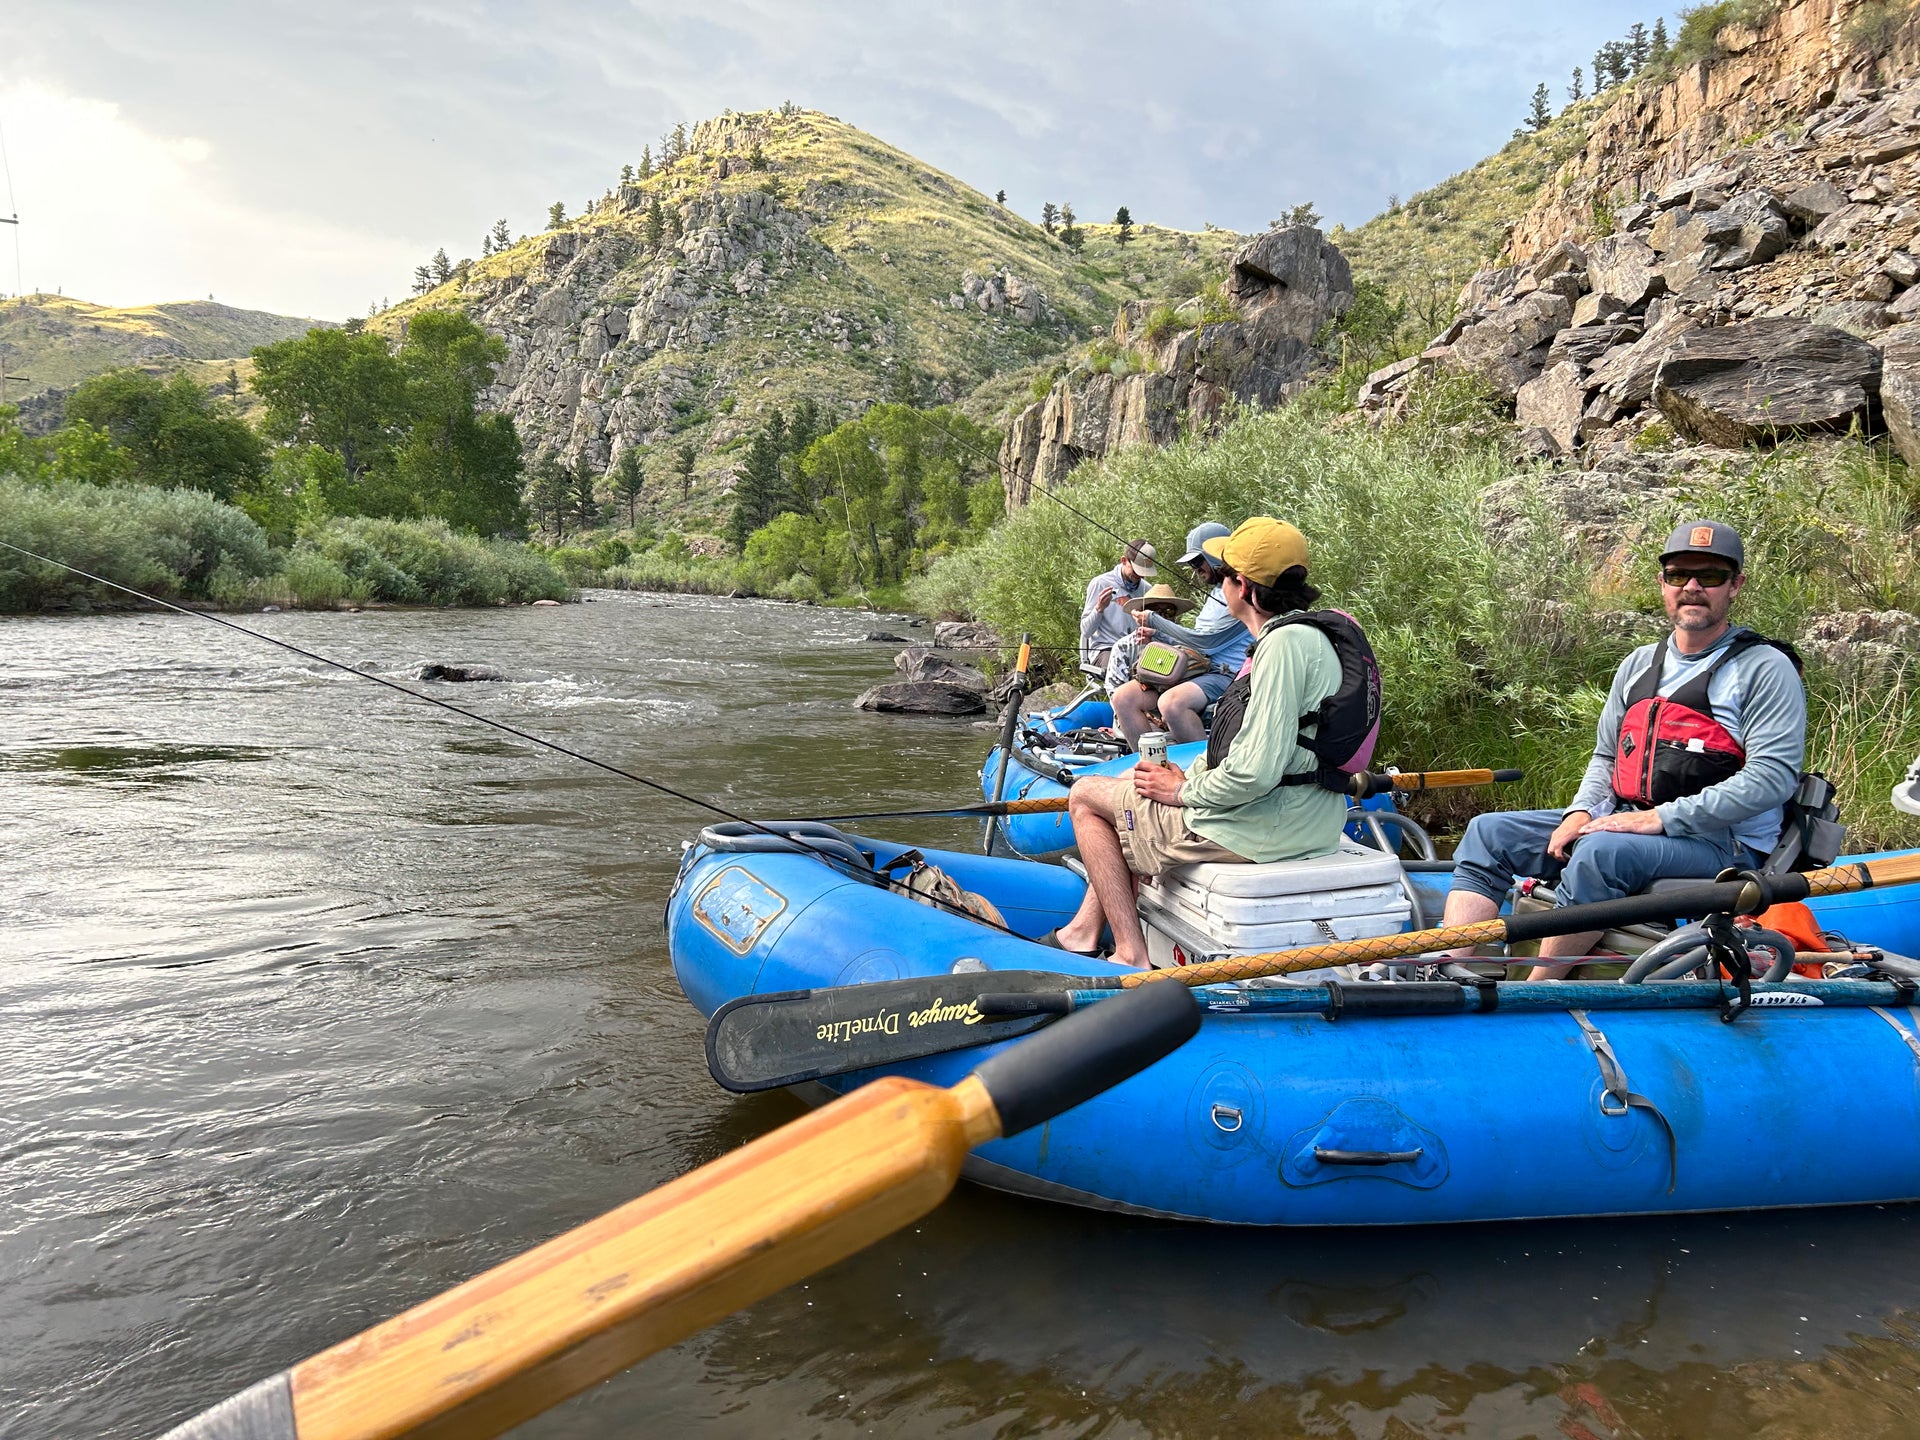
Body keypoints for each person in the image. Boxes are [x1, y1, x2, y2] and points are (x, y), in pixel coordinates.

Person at [1440, 519, 1807, 978]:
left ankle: (1537, 988)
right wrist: (1580, 812)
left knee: (1603, 852)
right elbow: (1606, 758)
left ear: (1735, 586)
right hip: (1627, 819)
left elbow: (1772, 778)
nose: (1692, 588)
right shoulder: (1638, 664)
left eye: (1710, 576)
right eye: (1679, 576)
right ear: (1663, 585)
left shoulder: (1765, 669)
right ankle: (1448, 966)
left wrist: (1655, 819)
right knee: (1487, 833)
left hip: (1722, 844)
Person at [1047, 518, 1349, 967]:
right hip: (1310, 815)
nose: (1218, 582)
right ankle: (1083, 931)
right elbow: (1268, 750)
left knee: (1087, 795)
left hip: (1265, 828)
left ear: (1241, 586)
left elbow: (1255, 772)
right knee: (1133, 781)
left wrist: (1183, 790)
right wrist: (1185, 773)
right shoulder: (1317, 633)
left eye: (1224, 574)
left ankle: (1129, 954)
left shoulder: (1280, 649)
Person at [1110, 521, 1252, 747]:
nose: (1195, 569)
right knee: (1123, 698)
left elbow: (1209, 643)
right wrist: (1157, 634)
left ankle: (1203, 771)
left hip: (1226, 675)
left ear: (1217, 555)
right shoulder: (1217, 593)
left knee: (1172, 704)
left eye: (1197, 561)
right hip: (1196, 669)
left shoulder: (1240, 591)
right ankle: (1152, 768)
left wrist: (1155, 620)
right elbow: (1197, 641)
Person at [1079, 539, 1157, 673]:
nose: (1140, 575)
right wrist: (1099, 608)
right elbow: (1086, 631)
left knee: (1165, 670)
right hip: (1106, 650)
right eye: (1137, 570)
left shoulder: (1147, 589)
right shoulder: (1100, 583)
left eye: (1144, 572)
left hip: (1137, 651)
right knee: (1121, 671)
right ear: (1124, 560)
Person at [1101, 584, 1197, 689]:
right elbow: (1114, 689)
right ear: (1142, 613)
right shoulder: (1124, 647)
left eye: (1169, 611)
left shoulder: (1185, 643)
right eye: (1153, 611)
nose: (1161, 617)